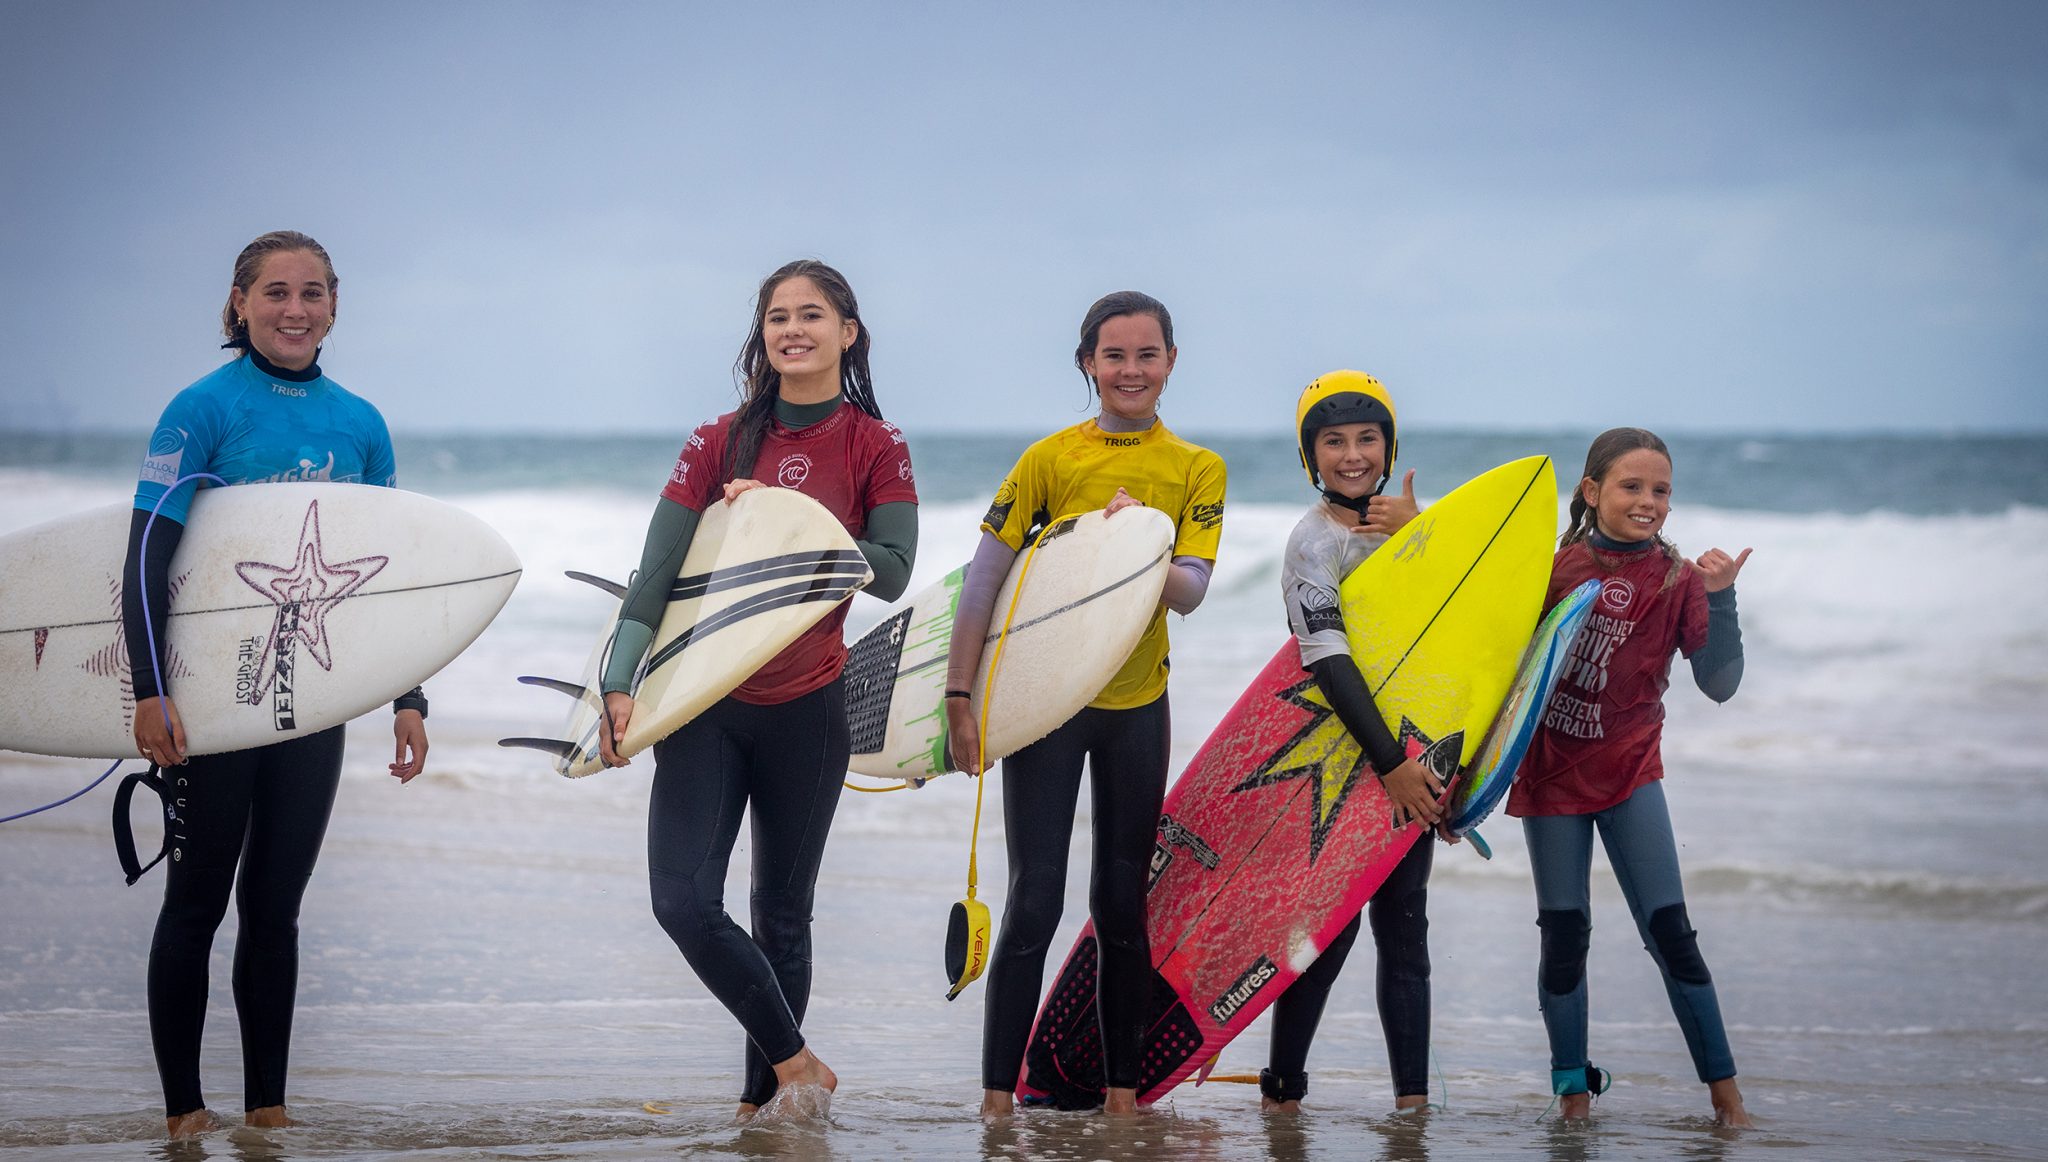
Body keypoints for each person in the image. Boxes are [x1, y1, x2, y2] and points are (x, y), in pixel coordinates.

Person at [124, 230, 429, 1139]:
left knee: (276, 909)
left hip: (312, 701)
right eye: (275, 293)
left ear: (335, 305)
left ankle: (267, 1110)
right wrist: (149, 689)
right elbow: (146, 556)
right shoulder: (201, 410)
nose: (293, 310)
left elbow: (390, 583)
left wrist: (409, 696)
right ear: (239, 302)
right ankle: (184, 1113)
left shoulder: (360, 424)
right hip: (212, 698)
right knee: (197, 901)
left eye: (312, 293)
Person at [594, 259, 917, 1120]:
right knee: (682, 902)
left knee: (782, 916)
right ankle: (796, 1063)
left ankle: (756, 1106)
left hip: (809, 708)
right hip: (705, 703)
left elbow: (890, 572)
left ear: (848, 333)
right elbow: (656, 576)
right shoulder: (718, 441)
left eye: (813, 315)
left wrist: (781, 521)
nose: (793, 330)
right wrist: (618, 686)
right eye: (778, 316)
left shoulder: (874, 445)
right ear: (763, 336)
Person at [946, 291, 1226, 1117]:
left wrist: (1142, 539)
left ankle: (1121, 1098)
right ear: (1087, 364)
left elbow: (1191, 594)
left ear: (1171, 361)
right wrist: (961, 697)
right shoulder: (1049, 461)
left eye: (1147, 355)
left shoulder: (1195, 469)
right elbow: (983, 584)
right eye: (1114, 356)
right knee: (1034, 897)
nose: (1131, 370)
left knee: (1121, 903)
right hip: (1047, 700)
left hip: (1138, 701)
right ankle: (997, 1102)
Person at [1505, 426, 1755, 1127]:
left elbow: (1721, 684)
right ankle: (1573, 1096)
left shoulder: (1678, 582)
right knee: (1564, 935)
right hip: (1552, 776)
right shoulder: (1553, 569)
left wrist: (1724, 596)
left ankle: (1727, 1101)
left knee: (1670, 932)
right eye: (1632, 487)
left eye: (1661, 490)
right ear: (1591, 492)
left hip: (1632, 772)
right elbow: (1497, 671)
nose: (1649, 502)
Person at [1260, 371, 1440, 1114]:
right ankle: (1284, 1094)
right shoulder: (1312, 542)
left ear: (1390, 445)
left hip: (1414, 748)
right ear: (1312, 457)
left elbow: (1462, 642)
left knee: (1405, 929)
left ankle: (1414, 1104)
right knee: (1326, 935)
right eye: (1333, 441)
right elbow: (1328, 660)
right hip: (1336, 759)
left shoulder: (1420, 529)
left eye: (1368, 438)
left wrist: (1424, 535)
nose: (1353, 454)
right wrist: (1392, 766)